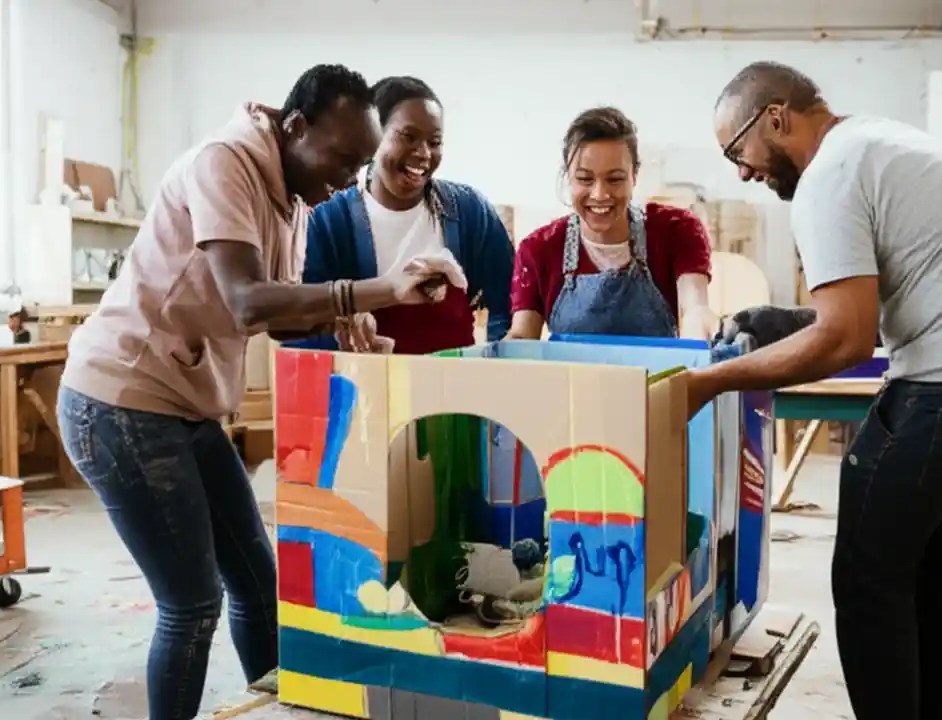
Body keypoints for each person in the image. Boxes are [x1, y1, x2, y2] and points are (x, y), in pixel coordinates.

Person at [56, 64, 458, 720]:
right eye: (343, 159)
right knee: (191, 605)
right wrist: (379, 290)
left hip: (182, 402)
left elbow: (277, 311)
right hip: (122, 401)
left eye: (361, 164)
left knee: (258, 583)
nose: (348, 181)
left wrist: (341, 318)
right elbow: (246, 300)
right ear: (296, 127)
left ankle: (283, 708)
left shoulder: (296, 195)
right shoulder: (226, 163)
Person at [685, 61, 942, 720]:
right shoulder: (879, 142)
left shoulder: (829, 178)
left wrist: (710, 382)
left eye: (737, 150)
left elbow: (845, 341)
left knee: (869, 579)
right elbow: (868, 308)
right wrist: (782, 325)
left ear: (776, 116)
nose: (741, 171)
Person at [301, 76, 513, 354]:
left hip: (455, 388)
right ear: (373, 138)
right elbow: (302, 330)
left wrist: (499, 363)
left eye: (434, 142)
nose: (424, 154)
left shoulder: (471, 211)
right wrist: (343, 336)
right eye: (408, 137)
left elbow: (509, 305)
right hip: (364, 389)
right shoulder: (327, 221)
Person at [506, 106, 715, 341]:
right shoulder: (539, 249)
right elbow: (522, 339)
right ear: (568, 177)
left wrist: (700, 344)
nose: (599, 194)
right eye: (584, 179)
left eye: (615, 179)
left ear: (635, 175)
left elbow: (695, 311)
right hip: (574, 378)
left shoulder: (677, 230)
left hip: (655, 378)